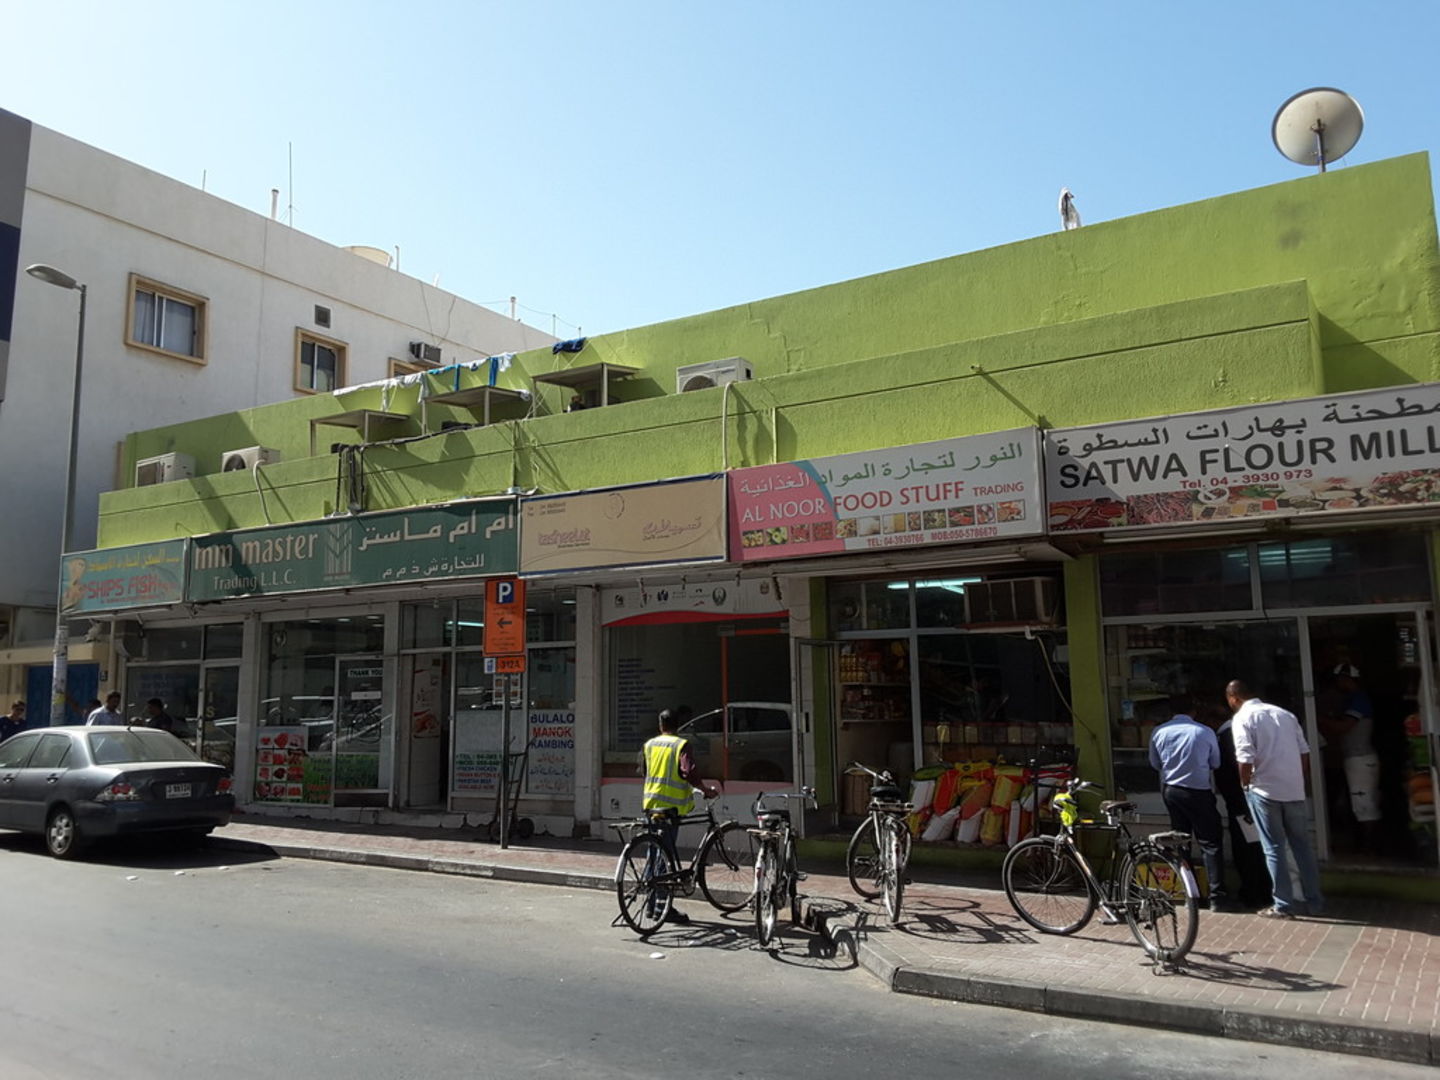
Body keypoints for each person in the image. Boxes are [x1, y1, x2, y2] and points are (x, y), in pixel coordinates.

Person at [1226, 679, 1324, 919]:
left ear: (1233, 698)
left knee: (1274, 848)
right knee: (1303, 848)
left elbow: (1245, 757)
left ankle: (1283, 904)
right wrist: (1296, 779)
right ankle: (1314, 901)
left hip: (1264, 791)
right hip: (1293, 791)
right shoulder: (1285, 715)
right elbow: (1304, 752)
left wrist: (1245, 785)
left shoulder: (1242, 718)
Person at [1148, 695, 1235, 912]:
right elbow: (1216, 762)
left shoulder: (1159, 732)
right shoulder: (1204, 732)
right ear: (1194, 711)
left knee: (1180, 842)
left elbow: (1155, 763)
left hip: (1172, 791)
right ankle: (1217, 896)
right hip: (1198, 791)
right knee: (1210, 843)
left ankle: (1190, 894)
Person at [638, 707, 715, 925]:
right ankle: (664, 908)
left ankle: (651, 907)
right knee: (666, 857)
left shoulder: (649, 744)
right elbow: (688, 772)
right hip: (670, 809)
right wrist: (704, 789)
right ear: (677, 726)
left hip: (651, 805)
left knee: (654, 854)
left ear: (660, 725)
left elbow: (644, 771)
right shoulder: (681, 745)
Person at [1213, 705, 1272, 909]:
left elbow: (1226, 770)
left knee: (1247, 847)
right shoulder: (1258, 729)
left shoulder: (1227, 734)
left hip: (1242, 799)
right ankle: (1264, 889)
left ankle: (1254, 891)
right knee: (1260, 844)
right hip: (1260, 795)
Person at [1325, 665, 1382, 849]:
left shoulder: (1359, 700)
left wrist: (1318, 718)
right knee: (1360, 803)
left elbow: (1342, 727)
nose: (1337, 683)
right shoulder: (1352, 699)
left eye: (1340, 679)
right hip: (1356, 758)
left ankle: (1370, 847)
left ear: (1348, 679)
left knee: (1364, 804)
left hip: (1361, 758)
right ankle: (1366, 844)